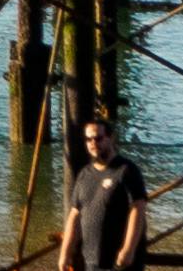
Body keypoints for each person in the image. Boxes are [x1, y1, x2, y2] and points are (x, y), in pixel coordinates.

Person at [59, 111, 146, 271]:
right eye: (88, 139)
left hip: (119, 262)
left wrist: (128, 249)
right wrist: (65, 253)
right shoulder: (84, 174)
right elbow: (74, 215)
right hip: (91, 261)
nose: (93, 143)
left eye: (98, 138)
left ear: (110, 138)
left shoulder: (126, 170)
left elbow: (138, 209)